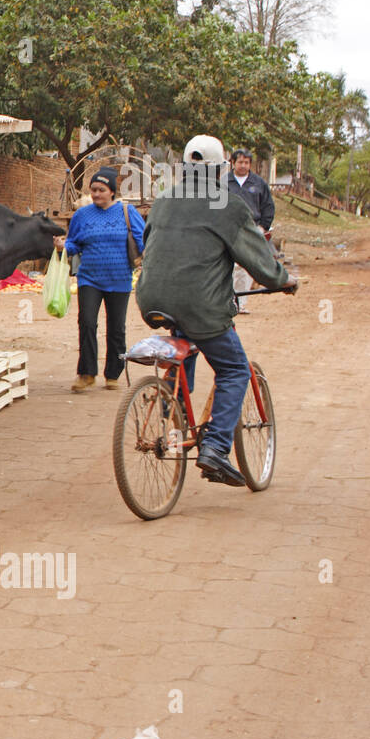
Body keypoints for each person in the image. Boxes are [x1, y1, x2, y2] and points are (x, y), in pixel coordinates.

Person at [135, 134, 296, 487]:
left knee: (186, 346)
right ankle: (216, 449)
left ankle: (170, 404)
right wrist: (283, 281)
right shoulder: (229, 205)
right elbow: (259, 260)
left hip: (152, 299)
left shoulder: (164, 200)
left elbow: (150, 243)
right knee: (235, 370)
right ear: (221, 170)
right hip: (202, 305)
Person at [54, 167, 145, 392]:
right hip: (89, 279)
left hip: (120, 279)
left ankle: (113, 374)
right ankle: (86, 373)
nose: (96, 194)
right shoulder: (82, 215)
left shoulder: (127, 211)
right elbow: (74, 243)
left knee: (116, 328)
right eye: (93, 190)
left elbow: (142, 239)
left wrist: (147, 261)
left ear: (112, 192)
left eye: (101, 190)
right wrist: (63, 246)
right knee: (86, 323)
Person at [227, 149, 275, 313]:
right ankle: (227, 302)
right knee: (228, 265)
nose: (243, 165)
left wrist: (263, 227)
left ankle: (240, 303)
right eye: (240, 162)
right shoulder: (223, 183)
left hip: (251, 228)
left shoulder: (258, 183)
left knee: (244, 265)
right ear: (233, 163)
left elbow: (268, 207)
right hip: (228, 228)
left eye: (246, 162)